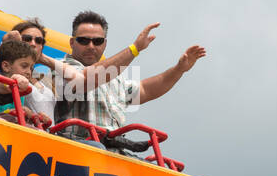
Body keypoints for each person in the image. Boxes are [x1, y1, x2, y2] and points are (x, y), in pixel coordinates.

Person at [56, 9, 205, 142]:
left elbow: (146, 90)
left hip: (112, 155)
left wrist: (178, 70)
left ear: (105, 44)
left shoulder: (115, 78)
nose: (91, 46)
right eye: (83, 40)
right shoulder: (60, 67)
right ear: (71, 42)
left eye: (97, 41)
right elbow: (86, 78)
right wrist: (135, 49)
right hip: (78, 151)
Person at [0, 38, 53, 124]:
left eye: (31, 68)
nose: (29, 72)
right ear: (6, 66)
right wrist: (13, 112)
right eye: (24, 66)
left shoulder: (21, 90)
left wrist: (34, 117)